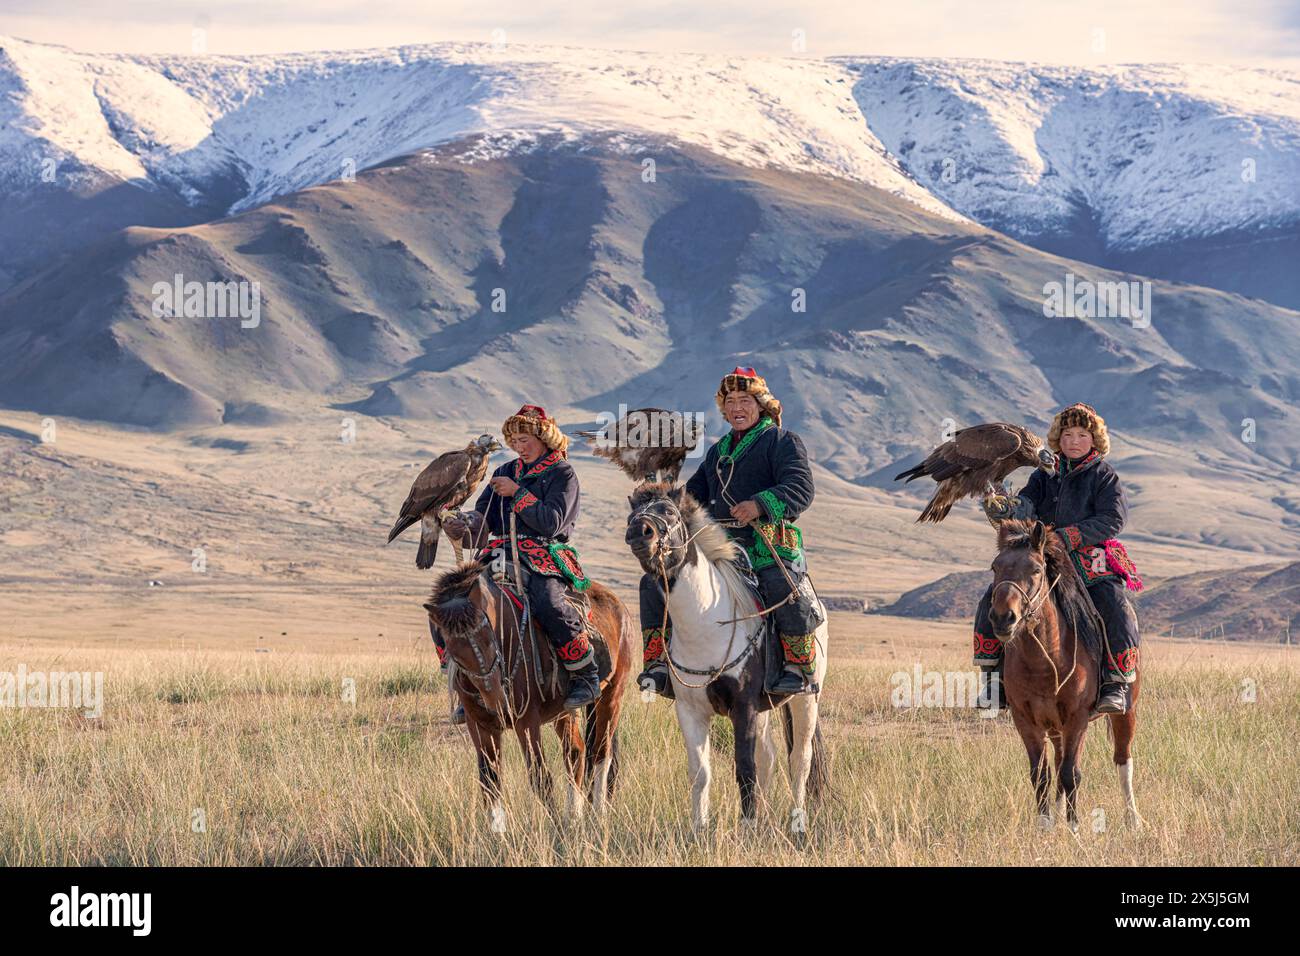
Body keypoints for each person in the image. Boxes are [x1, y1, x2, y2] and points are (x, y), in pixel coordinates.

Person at [638, 367, 822, 697]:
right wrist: (662, 499)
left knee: (784, 586)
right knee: (655, 581)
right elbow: (692, 496)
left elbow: (801, 487)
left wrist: (760, 504)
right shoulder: (719, 451)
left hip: (765, 542)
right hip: (718, 545)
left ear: (762, 404)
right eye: (730, 401)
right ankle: (658, 663)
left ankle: (799, 665)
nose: (737, 407)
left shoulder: (782, 442)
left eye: (745, 400)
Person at [975, 403, 1142, 715]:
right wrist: (1008, 508)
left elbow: (1112, 520)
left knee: (1115, 605)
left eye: (1081, 434)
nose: (1073, 441)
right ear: (1058, 439)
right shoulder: (1044, 475)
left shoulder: (1104, 477)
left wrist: (1069, 537)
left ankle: (1116, 682)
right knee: (995, 596)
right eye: (1067, 434)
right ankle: (994, 680)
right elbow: (1027, 504)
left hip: (1086, 557)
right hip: (1041, 556)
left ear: (1095, 440)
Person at [442, 404, 600, 717]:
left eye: (524, 438)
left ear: (543, 436)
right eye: (513, 439)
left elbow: (552, 522)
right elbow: (483, 522)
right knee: (451, 604)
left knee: (549, 603)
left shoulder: (562, 474)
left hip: (542, 556)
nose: (518, 445)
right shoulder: (503, 472)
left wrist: (518, 494)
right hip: (498, 556)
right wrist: (462, 524)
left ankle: (585, 674)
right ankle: (468, 683)